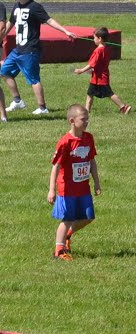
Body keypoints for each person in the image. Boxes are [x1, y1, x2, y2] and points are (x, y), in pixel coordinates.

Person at [3, 0, 75, 117]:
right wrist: (1, 36)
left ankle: (42, 108)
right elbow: (10, 23)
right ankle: (17, 101)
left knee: (33, 79)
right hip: (18, 49)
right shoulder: (16, 6)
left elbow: (49, 20)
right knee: (5, 72)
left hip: (30, 50)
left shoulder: (35, 7)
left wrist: (65, 31)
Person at [49, 103, 100, 260]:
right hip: (67, 188)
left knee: (88, 217)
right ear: (72, 120)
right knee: (68, 218)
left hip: (83, 187)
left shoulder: (88, 138)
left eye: (87, 119)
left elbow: (92, 161)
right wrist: (52, 189)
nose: (86, 122)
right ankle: (59, 251)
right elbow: (55, 167)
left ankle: (67, 236)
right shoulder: (65, 142)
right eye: (83, 119)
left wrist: (97, 182)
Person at [75, 27, 130, 115]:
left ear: (99, 39)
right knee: (90, 94)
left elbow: (92, 63)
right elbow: (99, 63)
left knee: (109, 93)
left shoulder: (98, 50)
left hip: (100, 78)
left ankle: (123, 106)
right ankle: (86, 111)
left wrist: (81, 70)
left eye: (94, 38)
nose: (93, 40)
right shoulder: (106, 48)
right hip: (99, 76)